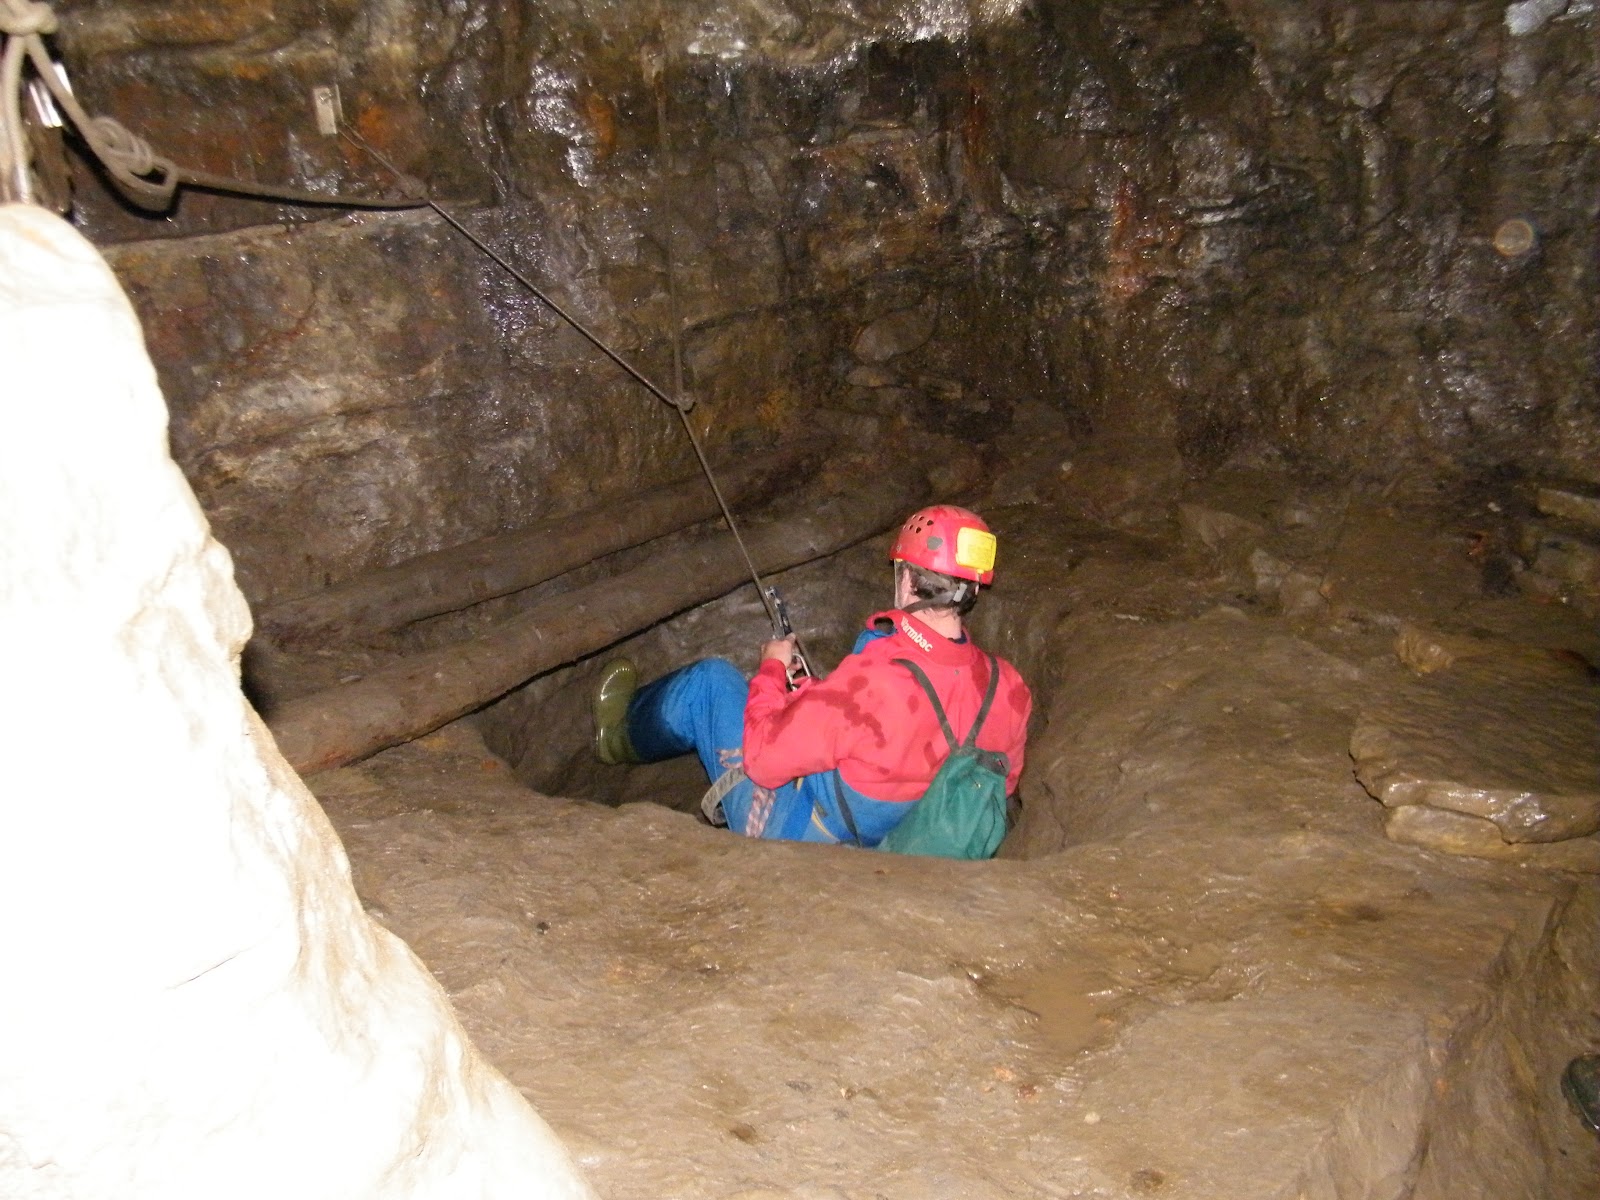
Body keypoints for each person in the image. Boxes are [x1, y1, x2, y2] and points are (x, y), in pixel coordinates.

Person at [590, 505, 1032, 850]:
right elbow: (995, 783)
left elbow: (763, 759)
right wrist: (812, 696)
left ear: (906, 580)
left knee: (710, 683)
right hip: (904, 847)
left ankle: (616, 736)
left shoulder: (873, 682)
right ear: (973, 590)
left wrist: (772, 671)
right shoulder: (1007, 687)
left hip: (805, 839)